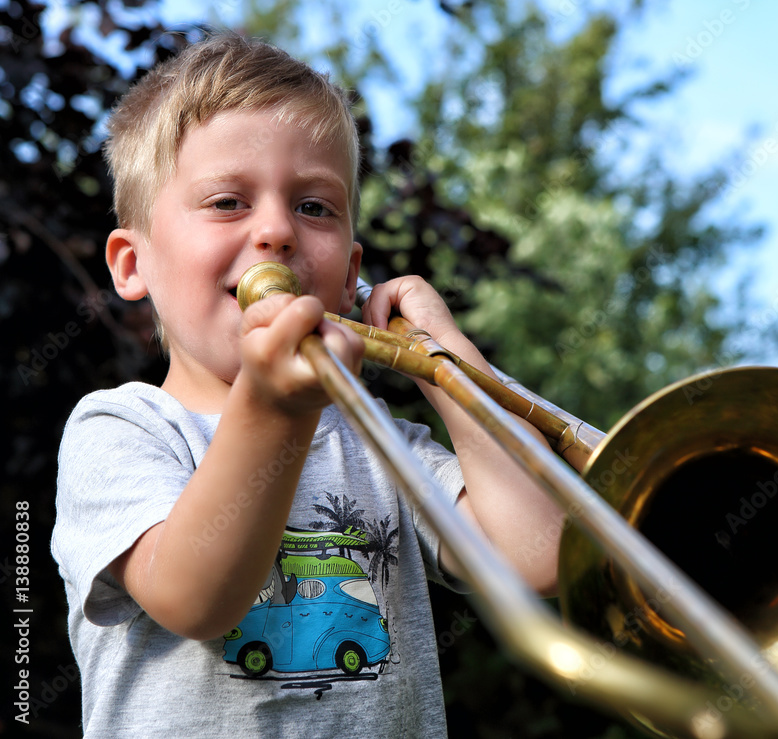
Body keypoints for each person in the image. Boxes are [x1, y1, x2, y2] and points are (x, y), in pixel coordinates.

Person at [51, 32, 563, 737]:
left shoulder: (382, 440)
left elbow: (537, 557)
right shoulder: (120, 428)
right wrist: (274, 410)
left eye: (314, 207)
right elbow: (196, 597)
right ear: (132, 263)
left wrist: (449, 365)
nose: (277, 232)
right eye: (228, 201)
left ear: (351, 274)